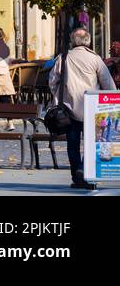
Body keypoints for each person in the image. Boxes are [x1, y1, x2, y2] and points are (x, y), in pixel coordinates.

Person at [50, 27, 116, 190]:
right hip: (92, 108)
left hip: (69, 109)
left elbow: (52, 81)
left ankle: (77, 176)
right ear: (88, 42)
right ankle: (84, 171)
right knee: (92, 143)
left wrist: (60, 95)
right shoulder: (95, 59)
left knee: (72, 144)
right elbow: (107, 83)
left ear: (73, 41)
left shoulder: (63, 57)